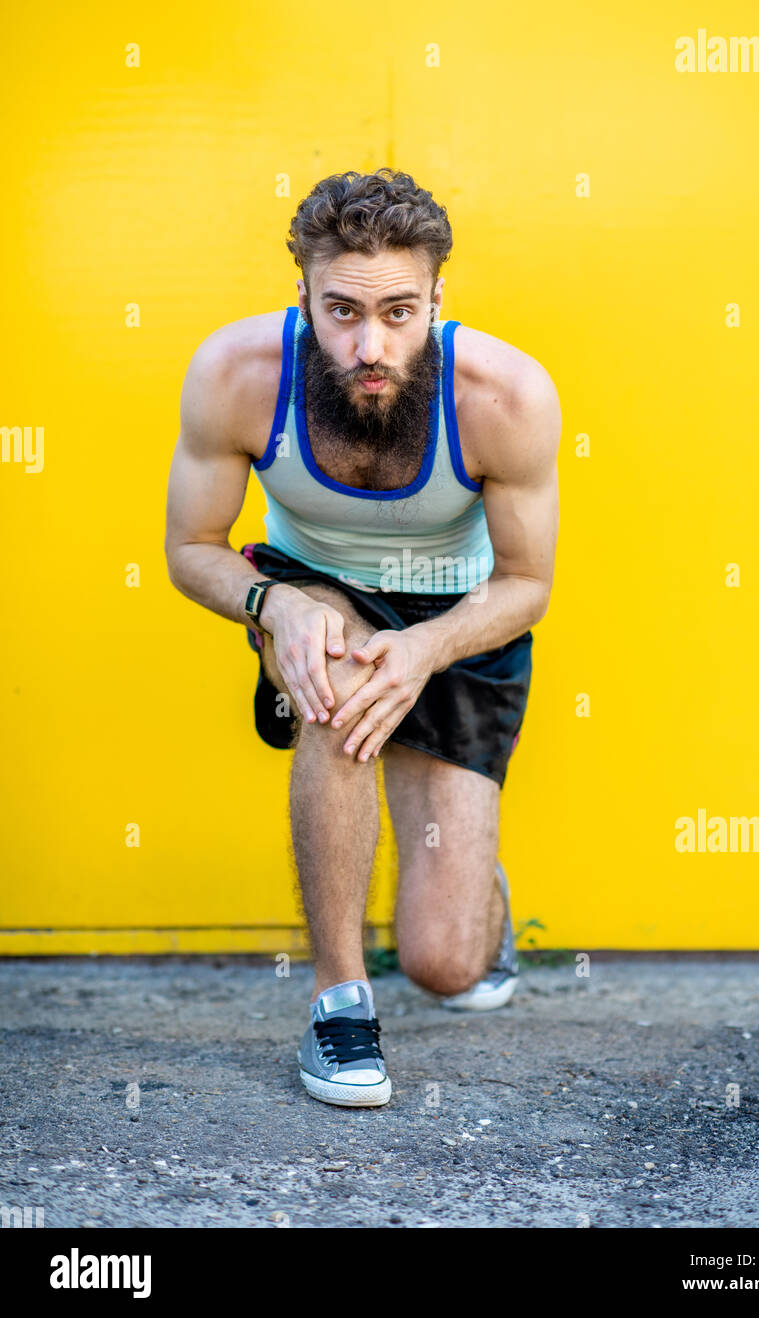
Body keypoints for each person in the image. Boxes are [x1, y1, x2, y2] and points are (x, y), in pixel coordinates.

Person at [165, 169, 560, 1107]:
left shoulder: (503, 395)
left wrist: (425, 650)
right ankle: (338, 1003)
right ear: (301, 293)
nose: (368, 344)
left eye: (397, 312)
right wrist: (274, 605)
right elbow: (190, 550)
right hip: (313, 592)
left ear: (437, 299)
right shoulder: (237, 375)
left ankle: (475, 905)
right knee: (330, 664)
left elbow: (526, 585)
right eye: (340, 310)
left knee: (443, 965)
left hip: (458, 617)